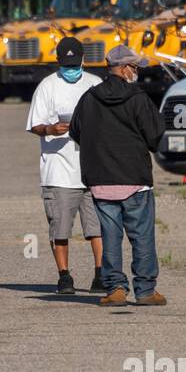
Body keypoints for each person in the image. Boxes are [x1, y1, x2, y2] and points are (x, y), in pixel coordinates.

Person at [68, 45, 167, 307]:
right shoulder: (138, 98)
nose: (137, 72)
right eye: (135, 67)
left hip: (101, 179)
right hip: (135, 178)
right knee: (142, 236)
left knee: (110, 235)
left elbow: (75, 131)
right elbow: (155, 135)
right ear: (124, 69)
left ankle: (116, 289)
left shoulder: (89, 98)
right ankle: (145, 290)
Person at [25, 36, 104, 295]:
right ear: (58, 61)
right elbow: (35, 124)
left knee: (97, 227)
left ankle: (100, 273)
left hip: (92, 168)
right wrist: (50, 129)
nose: (71, 68)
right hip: (58, 170)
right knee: (60, 227)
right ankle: (64, 275)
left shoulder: (96, 84)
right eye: (66, 64)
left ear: (83, 59)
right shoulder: (47, 86)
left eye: (75, 63)